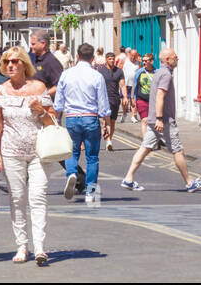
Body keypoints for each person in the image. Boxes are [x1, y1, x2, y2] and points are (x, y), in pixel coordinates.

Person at [0, 46, 52, 266]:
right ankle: (22, 246)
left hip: (38, 152)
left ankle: (40, 248)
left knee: (37, 197)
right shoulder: (1, 91)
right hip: (11, 152)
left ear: (24, 64)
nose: (10, 65)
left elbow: (52, 121)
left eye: (15, 61)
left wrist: (41, 111)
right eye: (6, 62)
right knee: (17, 199)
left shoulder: (38, 87)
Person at [120, 49, 201, 193]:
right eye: (174, 56)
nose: (177, 58)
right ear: (167, 60)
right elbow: (160, 95)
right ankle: (189, 182)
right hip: (164, 121)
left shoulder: (159, 72)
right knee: (177, 150)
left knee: (144, 148)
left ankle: (128, 179)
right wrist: (160, 119)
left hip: (153, 119)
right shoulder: (165, 74)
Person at [53, 42, 111, 203]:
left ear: (77, 56)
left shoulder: (66, 74)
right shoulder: (97, 76)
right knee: (92, 157)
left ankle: (72, 173)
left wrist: (57, 119)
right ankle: (90, 192)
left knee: (71, 152)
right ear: (93, 58)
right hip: (91, 118)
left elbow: (58, 102)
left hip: (71, 118)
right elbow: (103, 104)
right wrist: (107, 123)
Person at [97, 50, 125, 152]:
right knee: (106, 119)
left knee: (112, 121)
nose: (112, 60)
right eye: (110, 59)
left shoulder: (119, 71)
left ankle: (109, 140)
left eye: (113, 59)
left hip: (115, 99)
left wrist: (125, 97)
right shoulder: (101, 71)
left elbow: (122, 85)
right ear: (106, 60)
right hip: (104, 99)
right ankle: (108, 140)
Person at [27, 30, 63, 96]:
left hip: (45, 101)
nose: (31, 46)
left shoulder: (52, 62)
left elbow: (59, 85)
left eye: (33, 44)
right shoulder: (34, 59)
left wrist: (42, 95)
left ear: (43, 44)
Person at [132, 52, 155, 123]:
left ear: (151, 61)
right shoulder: (139, 72)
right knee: (145, 120)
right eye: (143, 61)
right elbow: (134, 86)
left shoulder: (156, 72)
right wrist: (133, 99)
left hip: (153, 100)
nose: (144, 63)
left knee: (153, 121)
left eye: (146, 61)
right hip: (141, 99)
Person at [121, 47, 141, 123]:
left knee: (133, 101)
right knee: (124, 101)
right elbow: (119, 70)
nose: (133, 57)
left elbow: (140, 71)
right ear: (129, 54)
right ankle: (124, 113)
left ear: (137, 56)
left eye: (135, 56)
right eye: (132, 55)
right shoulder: (124, 61)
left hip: (134, 84)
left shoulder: (138, 63)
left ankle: (133, 116)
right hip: (125, 84)